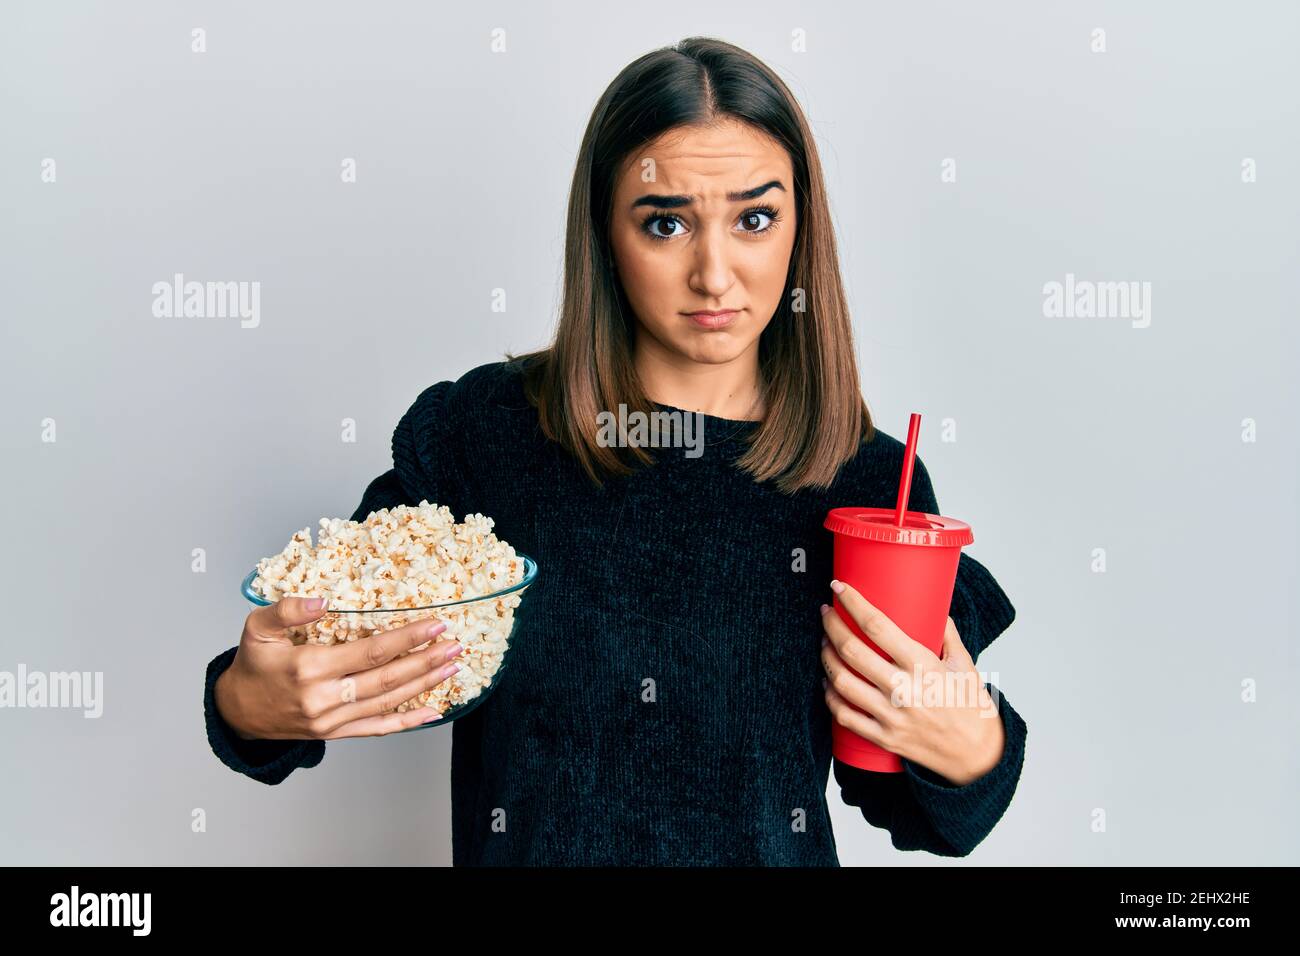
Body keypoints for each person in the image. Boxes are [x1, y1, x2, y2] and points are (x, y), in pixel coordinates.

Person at [205, 36, 1026, 866]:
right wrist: (250, 703)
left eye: (755, 217)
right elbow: (315, 668)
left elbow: (922, 811)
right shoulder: (486, 433)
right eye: (665, 222)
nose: (715, 273)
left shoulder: (869, 487)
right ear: (604, 233)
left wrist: (972, 751)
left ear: (799, 227)